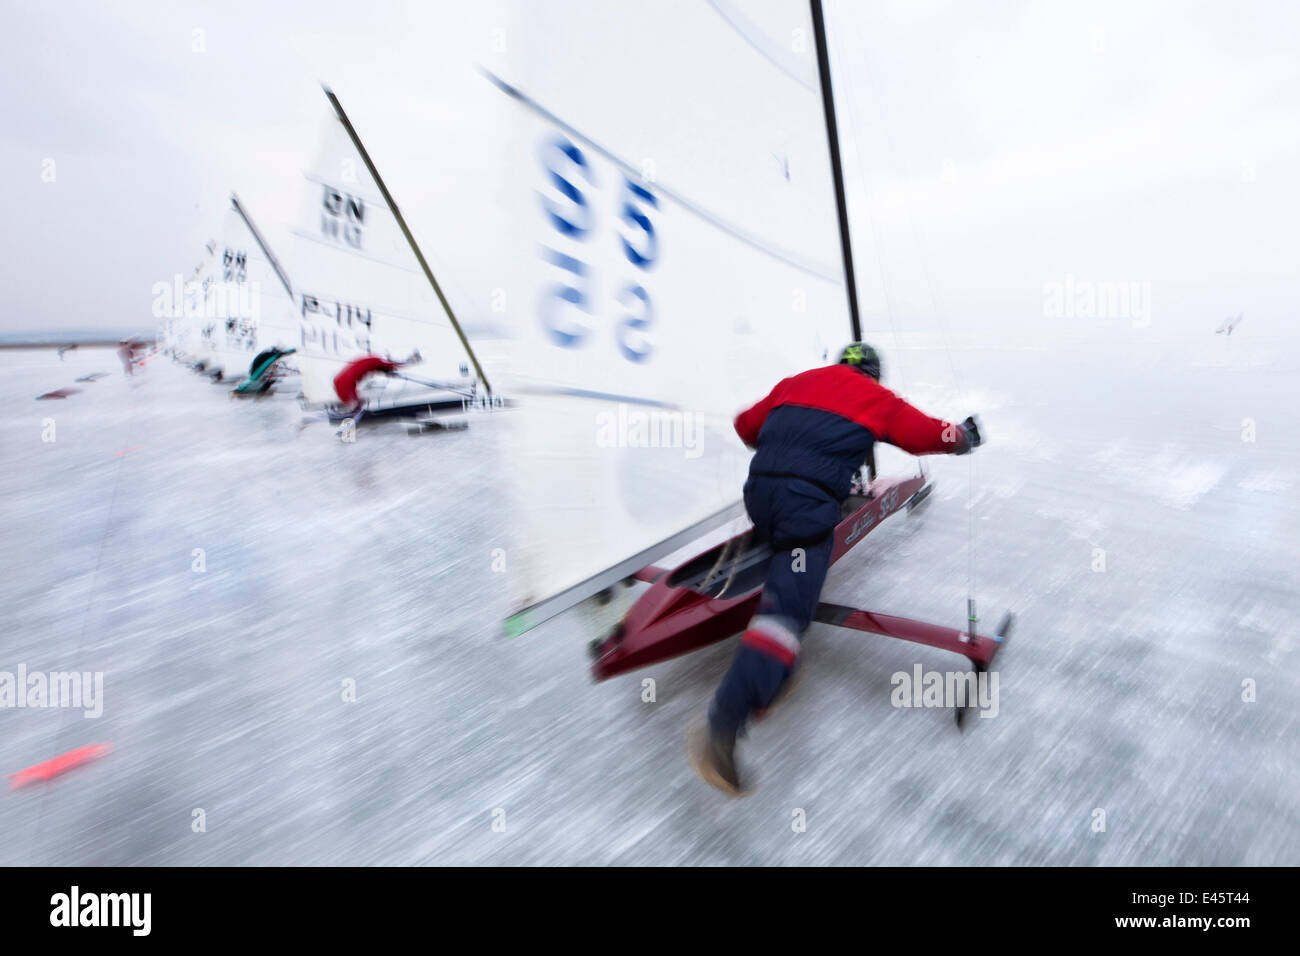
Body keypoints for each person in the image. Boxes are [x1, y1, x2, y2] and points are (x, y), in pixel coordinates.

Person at [688, 342, 983, 795]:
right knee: (787, 616)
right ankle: (723, 725)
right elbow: (926, 434)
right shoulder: (875, 399)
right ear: (873, 374)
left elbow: (746, 424)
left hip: (760, 498)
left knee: (786, 545)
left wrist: (786, 438)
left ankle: (776, 674)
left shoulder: (797, 382)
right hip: (803, 509)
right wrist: (963, 437)